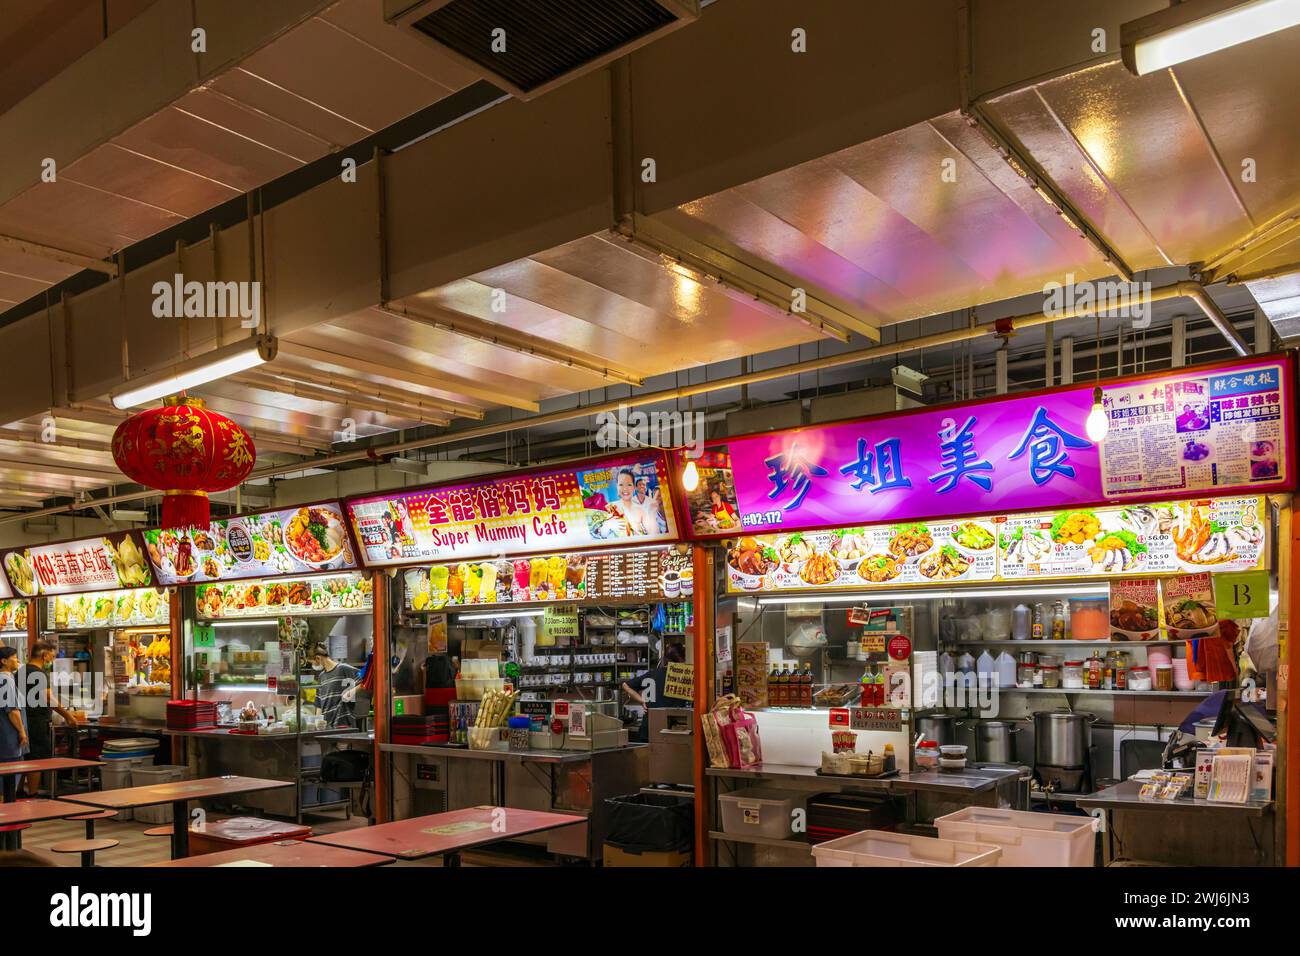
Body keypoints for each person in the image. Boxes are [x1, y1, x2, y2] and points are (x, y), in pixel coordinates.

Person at [20, 641, 79, 796]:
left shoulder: (20, 671)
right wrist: (67, 715)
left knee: (24, 758)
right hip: (37, 722)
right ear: (44, 655)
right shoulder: (38, 673)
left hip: (24, 721)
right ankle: (32, 795)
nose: (52, 660)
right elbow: (47, 697)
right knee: (36, 759)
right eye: (52, 656)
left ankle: (18, 792)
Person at [621, 644, 689, 743]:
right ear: (681, 659)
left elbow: (625, 685)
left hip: (649, 730)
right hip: (671, 731)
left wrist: (642, 701)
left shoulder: (652, 674)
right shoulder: (683, 677)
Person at [1, 648, 28, 815]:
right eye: (14, 657)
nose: (17, 660)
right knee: (9, 775)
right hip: (8, 735)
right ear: (4, 661)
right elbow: (12, 710)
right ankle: (7, 817)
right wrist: (22, 731)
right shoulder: (6, 680)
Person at [308, 643, 360, 729]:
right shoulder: (321, 676)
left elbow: (366, 680)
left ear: (318, 658)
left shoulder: (343, 669)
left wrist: (352, 691)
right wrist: (317, 724)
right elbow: (319, 704)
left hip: (343, 724)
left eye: (312, 663)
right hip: (327, 726)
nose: (313, 666)